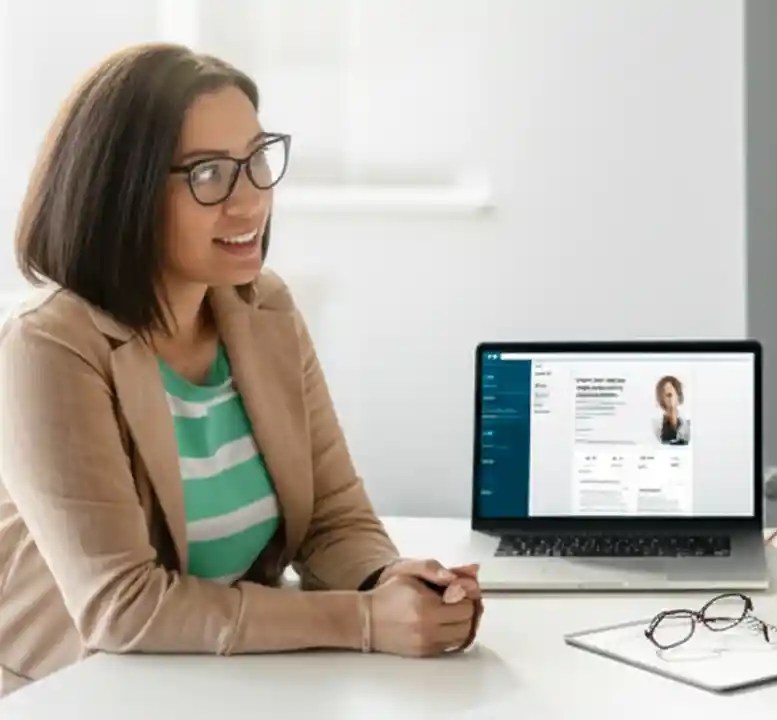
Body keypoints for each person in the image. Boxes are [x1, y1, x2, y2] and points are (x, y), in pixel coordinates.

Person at [0, 43, 483, 696]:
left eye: (257, 161)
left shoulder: (264, 307)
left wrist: (395, 583)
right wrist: (364, 618)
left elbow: (335, 520)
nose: (250, 202)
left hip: (225, 679)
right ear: (124, 192)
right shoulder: (47, 346)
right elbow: (123, 604)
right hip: (77, 689)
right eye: (208, 175)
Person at [653, 375, 691, 445]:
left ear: (678, 394)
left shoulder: (688, 424)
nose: (669, 399)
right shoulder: (656, 426)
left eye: (670, 394)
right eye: (666, 395)